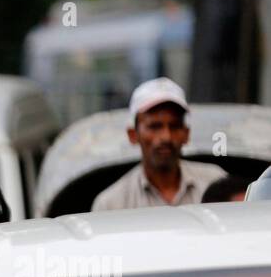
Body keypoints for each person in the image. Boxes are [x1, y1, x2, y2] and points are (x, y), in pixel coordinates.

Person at [92, 78, 228, 211]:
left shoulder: (216, 184)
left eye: (174, 126)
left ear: (186, 134)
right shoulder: (111, 205)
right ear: (133, 135)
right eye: (154, 126)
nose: (166, 137)